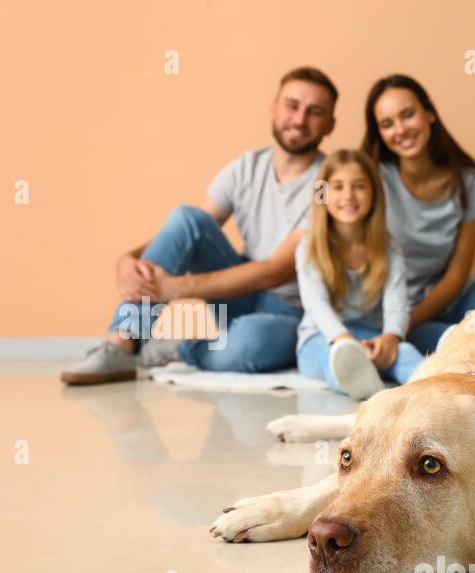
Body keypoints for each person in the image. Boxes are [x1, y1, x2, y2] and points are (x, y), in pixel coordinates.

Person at [61, 66, 338, 385]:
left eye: (314, 112)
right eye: (292, 106)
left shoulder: (326, 184)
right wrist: (128, 258)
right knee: (186, 215)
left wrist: (174, 289)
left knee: (250, 344)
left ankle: (179, 348)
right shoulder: (247, 167)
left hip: (287, 310)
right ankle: (124, 341)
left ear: (330, 124)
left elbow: (276, 270)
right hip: (240, 296)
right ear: (274, 108)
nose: (300, 120)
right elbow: (189, 229)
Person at [362, 74, 475, 353]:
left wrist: (407, 324)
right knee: (458, 344)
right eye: (387, 124)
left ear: (429, 113)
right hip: (396, 301)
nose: (400, 130)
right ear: (380, 134)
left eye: (408, 115)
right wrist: (398, 325)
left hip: (450, 294)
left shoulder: (468, 183)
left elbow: (456, 276)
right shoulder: (372, 180)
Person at [295, 149, 423, 400]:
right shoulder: (309, 245)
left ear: (374, 194)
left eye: (359, 186)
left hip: (370, 334)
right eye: (338, 187)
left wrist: (390, 338)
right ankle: (371, 393)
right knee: (336, 361)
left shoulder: (389, 248)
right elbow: (316, 304)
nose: (348, 196)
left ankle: (430, 389)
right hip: (321, 338)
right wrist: (344, 341)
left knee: (406, 353)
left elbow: (397, 304)